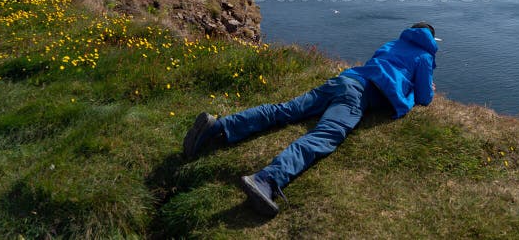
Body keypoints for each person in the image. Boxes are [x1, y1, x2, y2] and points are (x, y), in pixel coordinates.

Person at [182, 22, 439, 217]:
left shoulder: (391, 44)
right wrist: (420, 90)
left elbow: (378, 66)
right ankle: (267, 179)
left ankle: (218, 125)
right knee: (325, 135)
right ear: (430, 38)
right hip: (359, 95)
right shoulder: (425, 57)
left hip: (345, 79)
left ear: (411, 31)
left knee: (285, 110)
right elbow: (425, 97)